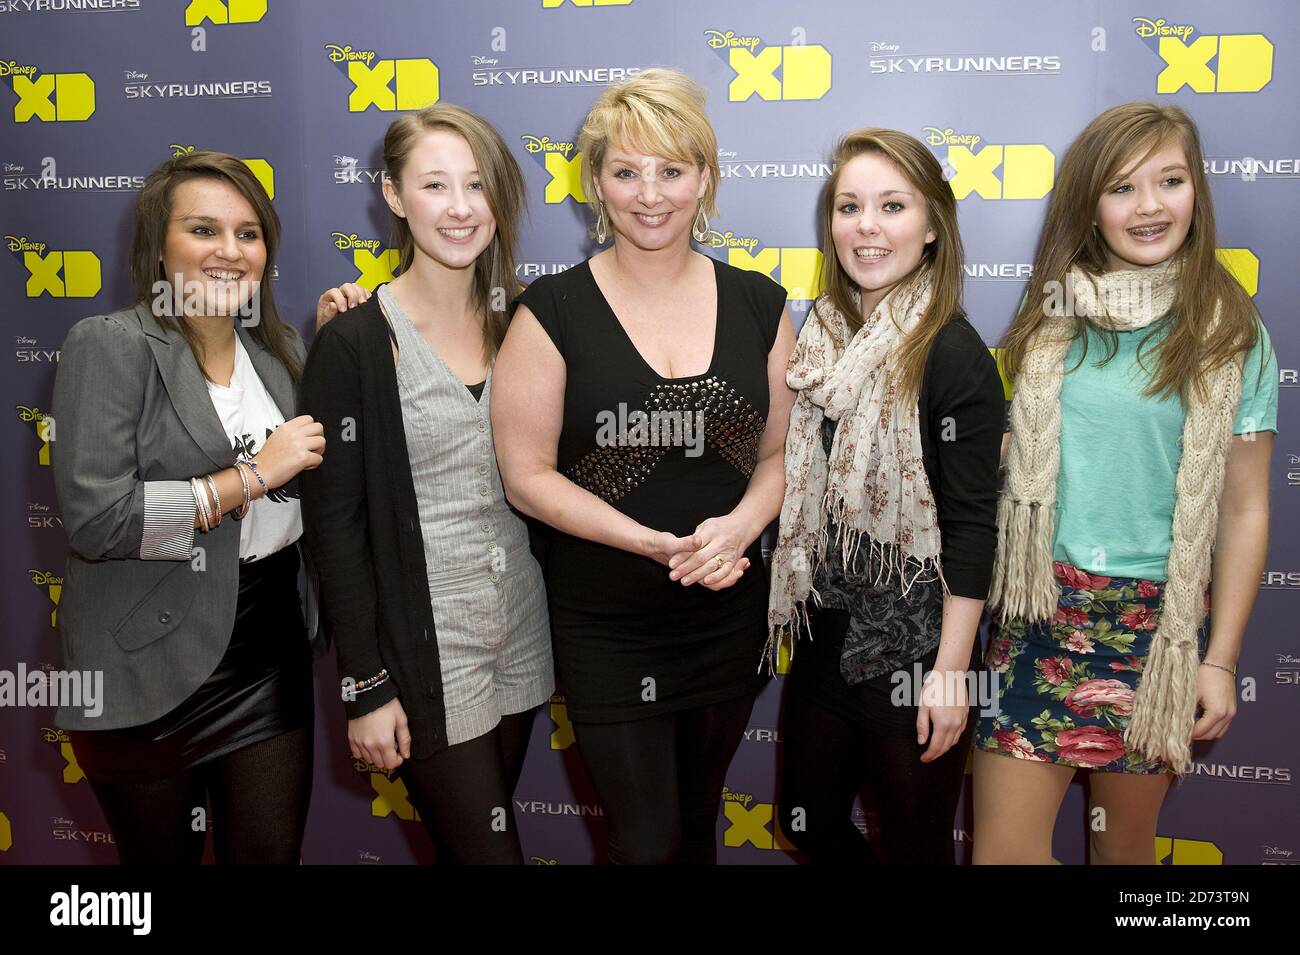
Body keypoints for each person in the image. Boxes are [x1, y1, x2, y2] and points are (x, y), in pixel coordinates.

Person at [491, 68, 796, 864]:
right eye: (626, 171)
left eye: (671, 169)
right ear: (596, 182)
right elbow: (527, 474)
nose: (649, 193)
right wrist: (649, 542)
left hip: (727, 617)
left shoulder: (762, 304)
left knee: (696, 828)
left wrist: (738, 528)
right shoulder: (551, 310)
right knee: (644, 841)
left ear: (705, 177)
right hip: (606, 622)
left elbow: (782, 452)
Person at [973, 102, 1277, 864]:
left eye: (1169, 181)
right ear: (1091, 206)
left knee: (1123, 858)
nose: (1149, 206)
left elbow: (1243, 507)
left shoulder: (1232, 330)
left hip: (1154, 630)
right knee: (1003, 855)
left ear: (1196, 193)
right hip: (1036, 610)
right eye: (1122, 187)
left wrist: (1219, 659)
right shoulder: (1050, 317)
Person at [51, 150, 323, 864]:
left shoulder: (283, 350)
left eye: (249, 232)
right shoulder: (108, 346)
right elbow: (97, 518)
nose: (230, 252)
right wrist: (249, 477)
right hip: (146, 660)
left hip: (266, 647)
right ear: (159, 247)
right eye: (204, 230)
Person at [300, 103, 553, 864]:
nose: (460, 208)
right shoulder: (353, 343)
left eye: (477, 185)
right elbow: (334, 530)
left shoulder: (528, 322)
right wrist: (365, 686)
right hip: (421, 652)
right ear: (393, 196)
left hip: (522, 629)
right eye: (435, 185)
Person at [769, 129, 1003, 864]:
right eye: (849, 206)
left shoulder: (953, 353)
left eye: (892, 205)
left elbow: (971, 526)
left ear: (933, 227)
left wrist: (950, 675)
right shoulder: (824, 342)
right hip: (825, 636)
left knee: (913, 846)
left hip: (916, 649)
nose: (866, 225)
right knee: (801, 824)